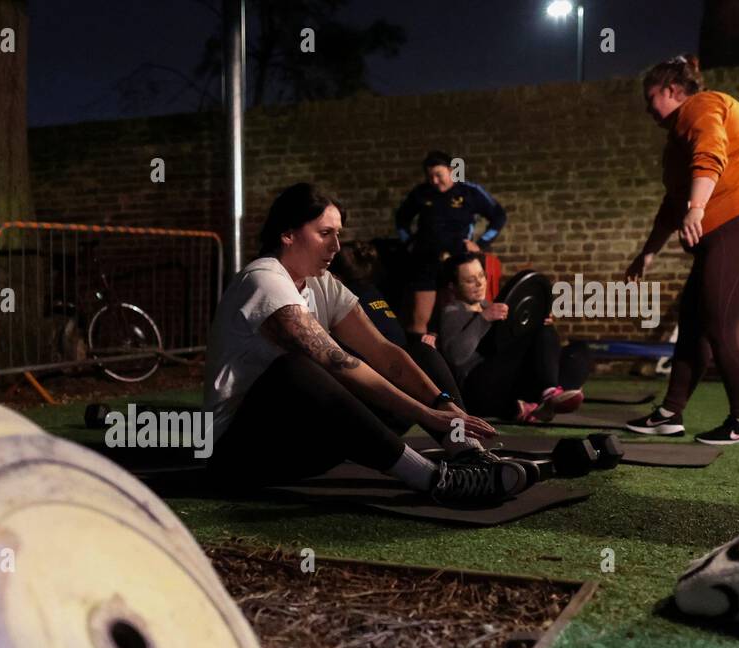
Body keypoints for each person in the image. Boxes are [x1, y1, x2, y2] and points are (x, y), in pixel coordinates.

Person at [203, 183, 531, 505]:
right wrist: (426, 414)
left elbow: (382, 351)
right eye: (324, 233)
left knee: (418, 351)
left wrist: (444, 407)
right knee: (296, 369)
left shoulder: (321, 284)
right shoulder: (263, 279)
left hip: (302, 446)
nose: (336, 247)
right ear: (288, 234)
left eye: (338, 234)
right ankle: (433, 479)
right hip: (243, 453)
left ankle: (471, 456)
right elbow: (335, 361)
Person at [624, 54, 739, 445]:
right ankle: (669, 414)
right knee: (694, 322)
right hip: (729, 228)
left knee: (720, 324)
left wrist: (696, 209)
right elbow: (671, 204)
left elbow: (711, 151)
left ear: (671, 90)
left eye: (651, 97)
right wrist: (647, 252)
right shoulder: (675, 141)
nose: (648, 107)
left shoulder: (701, 105)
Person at [430, 253, 589, 422]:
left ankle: (552, 398)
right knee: (538, 332)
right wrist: (484, 319)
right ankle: (548, 396)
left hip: (509, 378)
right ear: (453, 287)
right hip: (481, 385)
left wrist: (540, 320)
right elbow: (456, 357)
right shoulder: (452, 312)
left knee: (578, 350)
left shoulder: (490, 306)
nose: (479, 284)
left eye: (481, 276)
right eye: (470, 281)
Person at [328, 240, 470, 413]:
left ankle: (459, 424)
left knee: (422, 352)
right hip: (394, 386)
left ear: (334, 276)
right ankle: (461, 424)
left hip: (388, 387)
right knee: (423, 352)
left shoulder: (346, 297)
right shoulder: (372, 291)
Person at [395, 151, 507, 336]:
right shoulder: (421, 193)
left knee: (460, 315)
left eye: (439, 175)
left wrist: (481, 244)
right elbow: (401, 219)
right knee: (419, 321)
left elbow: (499, 216)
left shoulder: (469, 192)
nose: (434, 181)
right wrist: (409, 242)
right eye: (430, 176)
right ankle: (421, 358)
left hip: (458, 261)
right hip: (426, 260)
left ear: (451, 170)